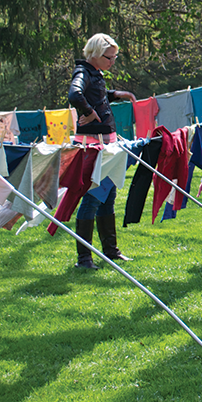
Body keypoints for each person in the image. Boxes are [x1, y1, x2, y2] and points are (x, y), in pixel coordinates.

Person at [68, 33, 136, 269]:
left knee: (107, 196)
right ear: (96, 54)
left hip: (106, 144)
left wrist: (116, 94)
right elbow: (75, 94)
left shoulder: (95, 74)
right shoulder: (83, 72)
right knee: (92, 198)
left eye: (115, 57)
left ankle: (111, 251)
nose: (113, 61)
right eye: (109, 57)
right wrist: (88, 112)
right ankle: (84, 259)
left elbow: (96, 96)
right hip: (92, 146)